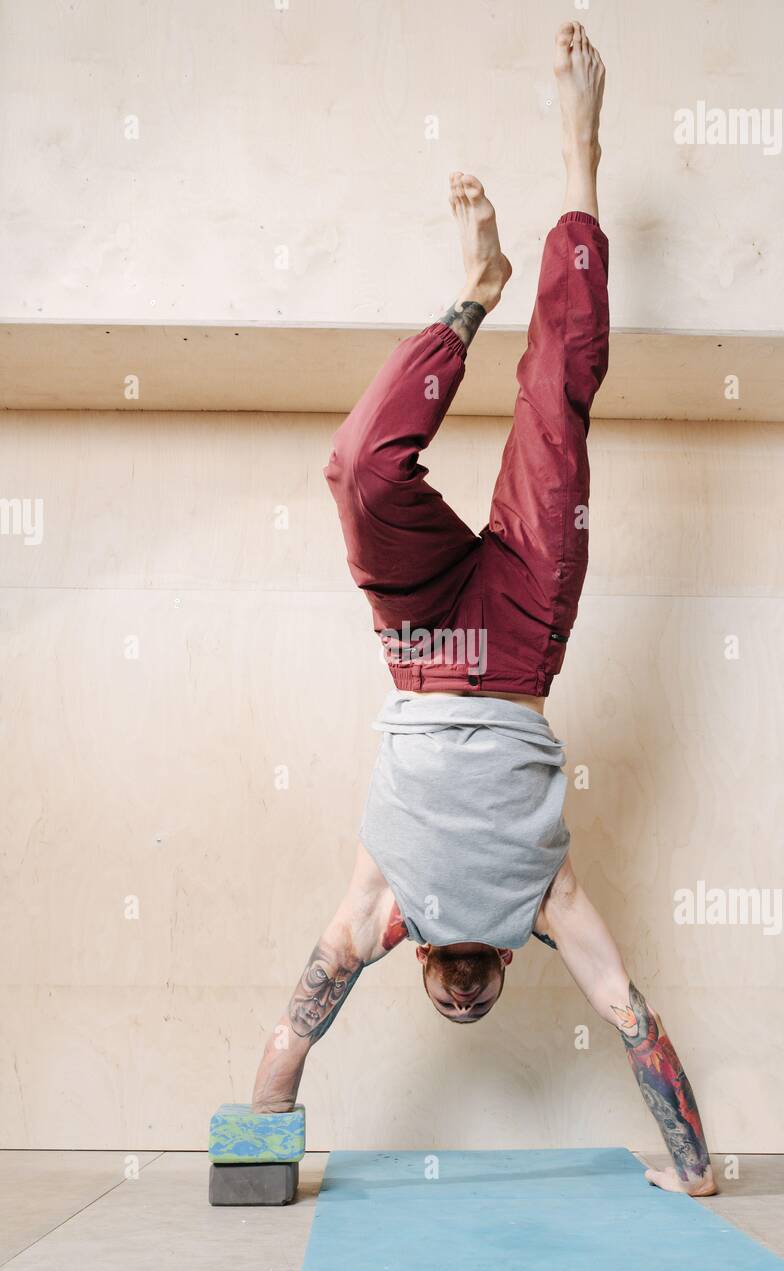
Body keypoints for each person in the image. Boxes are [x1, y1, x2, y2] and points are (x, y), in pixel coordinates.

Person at [252, 22, 716, 1198]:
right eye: (480, 995)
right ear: (504, 973)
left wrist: (255, 1162)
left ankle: (471, 294)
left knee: (357, 472)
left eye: (450, 996)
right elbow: (627, 1011)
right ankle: (577, 158)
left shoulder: (378, 909)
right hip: (515, 639)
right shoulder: (544, 909)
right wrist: (695, 1171)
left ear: (419, 975)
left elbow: (289, 1042)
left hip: (418, 649)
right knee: (555, 403)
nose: (462, 991)